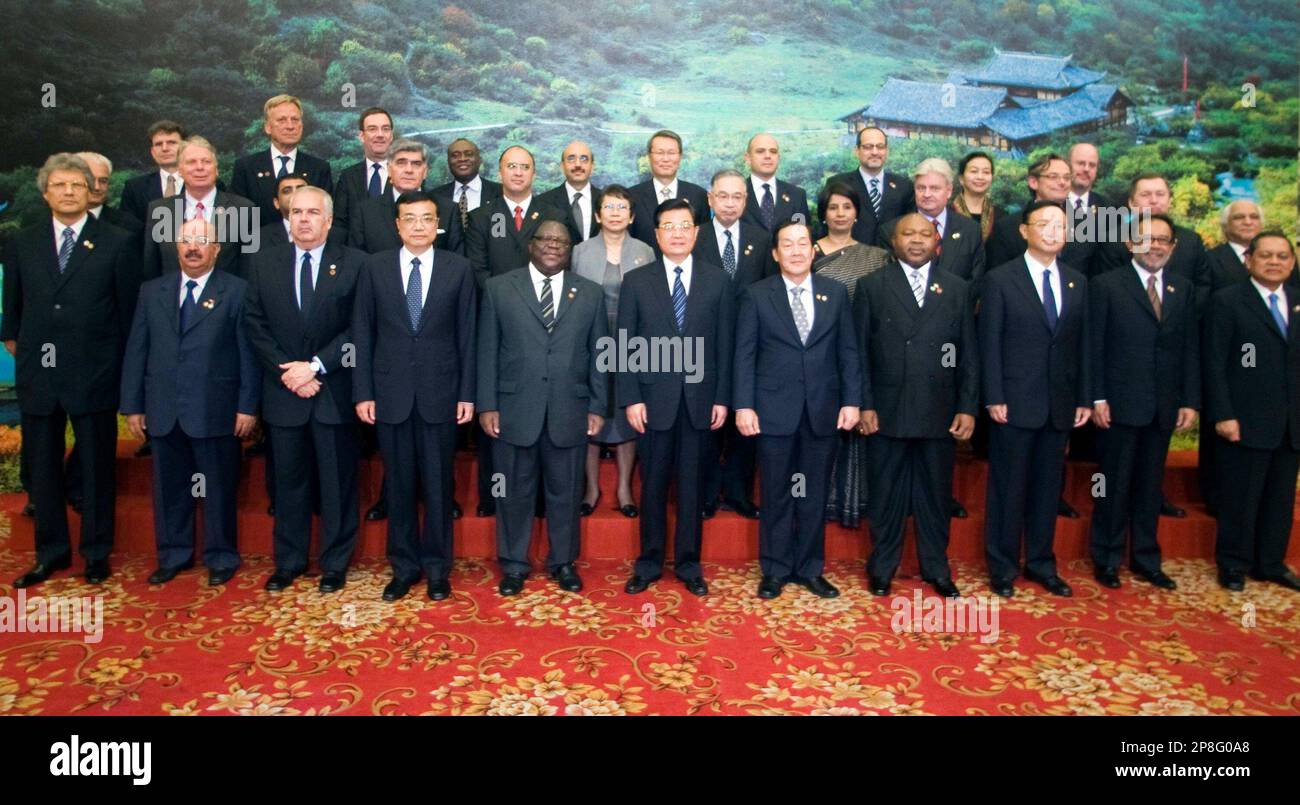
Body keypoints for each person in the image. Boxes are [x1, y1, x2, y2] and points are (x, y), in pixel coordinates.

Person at [4, 153, 138, 588]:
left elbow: (127, 314)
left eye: (76, 186)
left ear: (91, 191)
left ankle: (96, 554)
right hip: (39, 375)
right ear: (45, 193)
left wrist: (117, 370)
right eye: (59, 185)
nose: (68, 192)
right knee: (42, 470)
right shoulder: (23, 242)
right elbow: (13, 315)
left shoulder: (117, 241)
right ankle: (51, 553)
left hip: (94, 373)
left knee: (97, 470)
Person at [120, 217, 259, 586]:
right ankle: (173, 554)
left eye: (202, 240)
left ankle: (220, 556)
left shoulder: (237, 291)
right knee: (170, 489)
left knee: (217, 487)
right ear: (175, 246)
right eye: (186, 240)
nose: (193, 247)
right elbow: (138, 350)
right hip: (164, 408)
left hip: (216, 409)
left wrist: (247, 406)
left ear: (216, 249)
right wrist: (133, 405)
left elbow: (249, 353)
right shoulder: (152, 291)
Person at [353, 191, 476, 602]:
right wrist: (363, 391)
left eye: (426, 218)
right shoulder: (374, 268)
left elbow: (467, 337)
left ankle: (439, 570)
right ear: (397, 225)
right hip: (389, 395)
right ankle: (404, 567)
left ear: (437, 223)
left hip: (441, 394)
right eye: (410, 219)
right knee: (400, 486)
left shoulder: (459, 269)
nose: (419, 226)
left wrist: (467, 393)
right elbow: (363, 333)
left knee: (439, 486)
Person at [245, 186, 365, 594]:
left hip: (332, 392)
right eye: (296, 211)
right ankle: (289, 562)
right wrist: (290, 373)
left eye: (313, 212)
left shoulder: (354, 265)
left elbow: (359, 331)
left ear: (329, 220)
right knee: (288, 484)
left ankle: (335, 563)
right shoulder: (263, 263)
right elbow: (255, 325)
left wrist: (315, 366)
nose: (304, 219)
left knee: (336, 484)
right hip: (284, 394)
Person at [477, 221, 608, 595]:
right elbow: (487, 350)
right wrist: (487, 404)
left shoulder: (590, 293)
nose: (553, 246)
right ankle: (514, 564)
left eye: (561, 242)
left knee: (565, 492)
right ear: (531, 245)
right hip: (514, 408)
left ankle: (563, 562)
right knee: (512, 491)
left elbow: (599, 354)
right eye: (546, 239)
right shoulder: (499, 288)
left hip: (571, 408)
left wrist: (597, 405)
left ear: (570, 249)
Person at [734, 219, 862, 599]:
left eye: (802, 243)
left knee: (812, 493)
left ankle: (809, 568)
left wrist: (852, 400)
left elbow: (848, 351)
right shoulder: (757, 295)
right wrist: (744, 405)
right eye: (786, 245)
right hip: (773, 411)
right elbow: (744, 355)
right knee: (777, 492)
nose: (795, 251)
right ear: (775, 254)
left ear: (813, 250)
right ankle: (774, 569)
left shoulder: (835, 293)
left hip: (822, 410)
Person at [855, 213, 978, 598]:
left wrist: (967, 406)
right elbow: (859, 352)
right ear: (895, 240)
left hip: (938, 411)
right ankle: (882, 567)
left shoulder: (956, 288)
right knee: (885, 494)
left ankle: (936, 567)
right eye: (908, 233)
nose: (917, 240)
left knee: (935, 495)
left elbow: (965, 353)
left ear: (936, 241)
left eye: (925, 234)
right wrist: (864, 404)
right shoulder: (872, 285)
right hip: (886, 410)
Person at [617, 199, 733, 597]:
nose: (678, 233)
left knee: (691, 487)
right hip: (653, 401)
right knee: (652, 487)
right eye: (670, 226)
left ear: (697, 233)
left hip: (701, 401)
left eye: (685, 226)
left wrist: (722, 397)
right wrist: (631, 397)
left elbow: (724, 345)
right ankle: (648, 563)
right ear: (657, 233)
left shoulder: (718, 280)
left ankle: (688, 563)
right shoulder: (637, 281)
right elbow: (625, 343)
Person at [979, 200, 1091, 599]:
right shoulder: (1000, 279)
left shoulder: (1077, 281)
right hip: (1013, 402)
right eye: (1042, 224)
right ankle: (1003, 566)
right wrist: (993, 395)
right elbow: (988, 343)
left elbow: (1084, 347)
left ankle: (1042, 563)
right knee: (1008, 490)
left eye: (1059, 225)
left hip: (1059, 404)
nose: (1051, 231)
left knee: (1047, 491)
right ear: (1025, 231)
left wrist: (1084, 397)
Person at [1088, 213, 1199, 591]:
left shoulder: (1182, 289)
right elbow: (1093, 346)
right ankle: (1106, 558)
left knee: (1150, 487)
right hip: (1117, 406)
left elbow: (1189, 349)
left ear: (1173, 246)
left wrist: (1189, 400)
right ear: (1130, 243)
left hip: (1163, 406)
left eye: (1163, 239)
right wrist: (1097, 395)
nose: (1155, 245)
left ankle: (1146, 559)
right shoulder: (1105, 285)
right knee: (1110, 485)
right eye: (1147, 238)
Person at [465, 145, 568, 516]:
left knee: (539, 417)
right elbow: (475, 269)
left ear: (534, 172)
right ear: (501, 170)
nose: (518, 173)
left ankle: (539, 500)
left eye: (525, 167)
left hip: (545, 321)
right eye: (511, 166)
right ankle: (493, 498)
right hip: (498, 319)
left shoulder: (553, 214)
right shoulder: (482, 216)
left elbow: (559, 262)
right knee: (500, 417)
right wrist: (507, 303)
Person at [1203, 231, 1300, 592]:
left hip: (1290, 423)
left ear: (1291, 262)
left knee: (1279, 498)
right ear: (1249, 260)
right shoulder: (1227, 301)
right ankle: (1233, 564)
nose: (1274, 262)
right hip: (1243, 420)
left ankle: (1271, 562)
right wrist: (1223, 414)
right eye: (1266, 256)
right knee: (1240, 499)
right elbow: (1214, 362)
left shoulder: (1297, 302)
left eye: (1282, 256)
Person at [571, 185, 654, 518]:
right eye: (609, 206)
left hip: (632, 345)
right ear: (597, 214)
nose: (616, 212)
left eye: (622, 207)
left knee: (626, 413)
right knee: (592, 413)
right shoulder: (580, 251)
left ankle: (623, 489)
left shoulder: (645, 251)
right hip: (589, 344)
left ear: (631, 215)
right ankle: (591, 488)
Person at [694, 169, 773, 520]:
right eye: (722, 196)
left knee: (745, 423)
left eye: (737, 196)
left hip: (750, 345)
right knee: (707, 424)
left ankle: (740, 493)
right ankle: (707, 494)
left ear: (746, 201)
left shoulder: (762, 237)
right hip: (705, 345)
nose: (729, 203)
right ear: (710, 199)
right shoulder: (695, 237)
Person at [812, 182, 889, 528]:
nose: (840, 214)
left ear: (857, 212)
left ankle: (851, 502)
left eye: (846, 207)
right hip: (816, 358)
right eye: (833, 208)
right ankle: (820, 501)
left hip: (860, 353)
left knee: (854, 424)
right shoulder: (806, 251)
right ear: (823, 214)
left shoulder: (875, 256)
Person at [142, 136, 257, 281]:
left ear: (216, 169)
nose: (200, 167)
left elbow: (251, 267)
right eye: (191, 162)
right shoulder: (159, 210)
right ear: (180, 170)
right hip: (173, 299)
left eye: (206, 162)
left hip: (228, 300)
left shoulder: (245, 209)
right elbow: (151, 267)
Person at [985, 153, 1098, 278]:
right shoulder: (1007, 227)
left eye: (1067, 178)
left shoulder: (1084, 223)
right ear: (1033, 182)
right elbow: (997, 278)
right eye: (1053, 177)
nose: (1062, 182)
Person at [876, 158, 985, 283]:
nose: (927, 194)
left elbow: (975, 280)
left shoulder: (970, 230)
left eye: (934, 188)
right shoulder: (890, 230)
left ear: (949, 191)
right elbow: (888, 280)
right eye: (921, 188)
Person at [230, 94, 333, 225]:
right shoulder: (246, 167)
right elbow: (237, 220)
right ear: (267, 127)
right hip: (258, 244)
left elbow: (325, 216)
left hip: (306, 244)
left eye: (295, 120)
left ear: (301, 126)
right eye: (282, 120)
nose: (290, 126)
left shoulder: (319, 168)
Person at [348, 139, 458, 256]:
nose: (409, 170)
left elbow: (457, 264)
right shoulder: (365, 211)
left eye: (416, 164)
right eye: (401, 163)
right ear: (389, 170)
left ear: (425, 172)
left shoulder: (448, 210)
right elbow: (356, 261)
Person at [824, 126, 914, 248]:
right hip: (851, 258)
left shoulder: (904, 186)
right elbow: (825, 226)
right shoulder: (838, 183)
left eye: (880, 147)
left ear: (887, 151)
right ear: (857, 151)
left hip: (893, 260)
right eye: (868, 147)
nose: (875, 152)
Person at [626, 130, 709, 250]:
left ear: (680, 157)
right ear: (649, 156)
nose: (666, 159)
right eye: (660, 153)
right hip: (644, 266)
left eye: (671, 153)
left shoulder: (698, 195)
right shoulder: (631, 196)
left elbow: (703, 242)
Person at [331, 107, 394, 237]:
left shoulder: (405, 174)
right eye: (372, 129)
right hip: (355, 253)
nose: (380, 134)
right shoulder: (348, 177)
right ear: (361, 136)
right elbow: (340, 223)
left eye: (385, 129)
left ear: (391, 135)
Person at [431, 138, 503, 240]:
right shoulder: (434, 197)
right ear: (448, 162)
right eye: (455, 155)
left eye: (468, 154)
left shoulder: (500, 193)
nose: (462, 159)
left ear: (480, 160)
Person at [741, 133, 810, 235]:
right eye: (760, 151)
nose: (768, 156)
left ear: (778, 157)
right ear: (748, 158)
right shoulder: (735, 194)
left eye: (773, 152)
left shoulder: (797, 195)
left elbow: (803, 238)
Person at [119, 120, 186, 223]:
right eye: (159, 144)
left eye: (171, 143)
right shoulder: (135, 188)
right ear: (153, 152)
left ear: (184, 148)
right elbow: (128, 230)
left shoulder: (206, 184)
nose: (164, 148)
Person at [537, 140, 600, 242]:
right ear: (562, 166)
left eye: (584, 159)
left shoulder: (605, 200)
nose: (578, 164)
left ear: (592, 166)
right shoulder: (543, 202)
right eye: (571, 159)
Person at [951, 151, 997, 242]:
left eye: (986, 172)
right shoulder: (947, 213)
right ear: (961, 179)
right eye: (974, 171)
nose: (980, 177)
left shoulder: (1000, 216)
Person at [1067, 142, 1113, 212]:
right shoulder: (1054, 203)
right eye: (1081, 163)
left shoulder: (1108, 207)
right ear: (1068, 165)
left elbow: (1132, 219)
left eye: (1092, 165)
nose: (1086, 169)